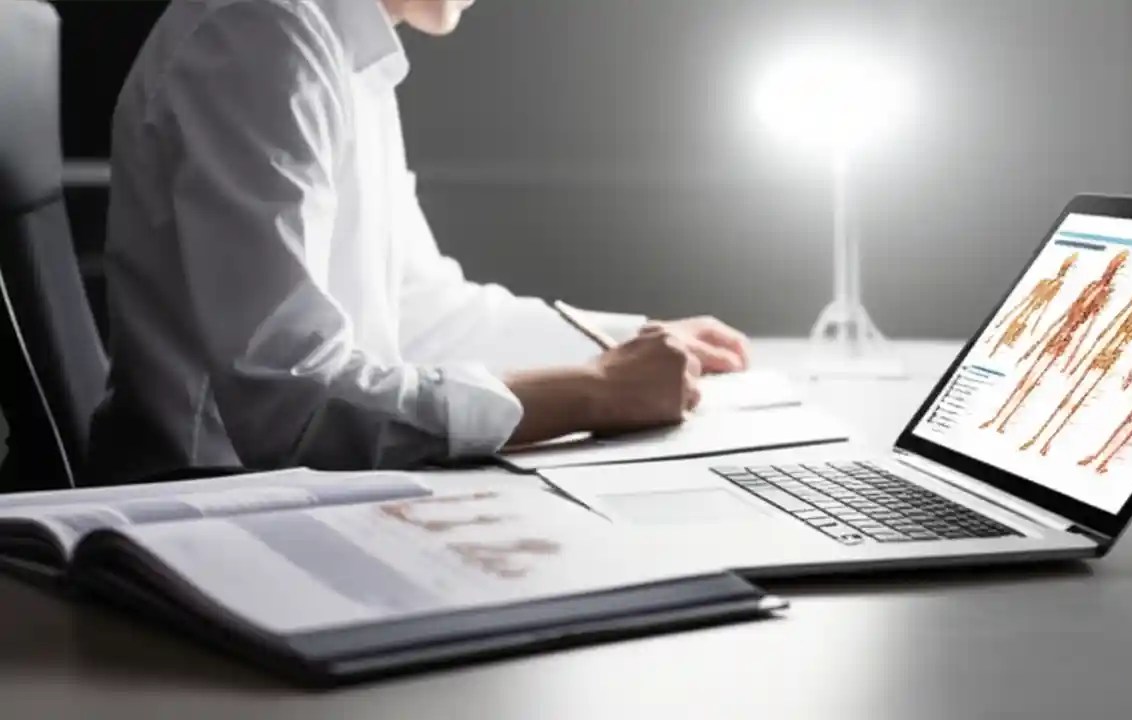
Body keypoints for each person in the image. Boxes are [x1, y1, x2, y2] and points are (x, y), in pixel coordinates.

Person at [88, 0, 751, 484]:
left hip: (293, 499)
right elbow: (290, 407)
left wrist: (624, 345)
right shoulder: (262, 34)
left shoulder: (337, 41)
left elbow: (421, 312)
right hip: (210, 510)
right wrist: (593, 391)